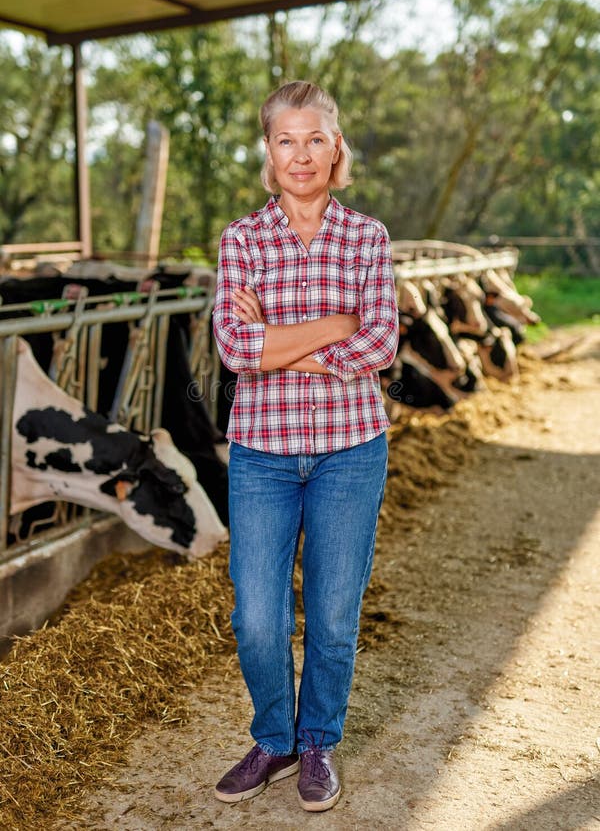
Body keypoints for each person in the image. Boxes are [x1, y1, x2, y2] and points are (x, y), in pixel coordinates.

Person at [211, 80, 399, 812]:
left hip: (351, 449)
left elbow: (380, 340)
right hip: (262, 451)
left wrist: (277, 343)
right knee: (256, 615)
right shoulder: (241, 239)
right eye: (286, 139)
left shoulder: (368, 237)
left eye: (315, 138)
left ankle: (316, 739)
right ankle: (273, 736)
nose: (301, 154)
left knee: (331, 614)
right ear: (269, 151)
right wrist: (333, 325)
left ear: (336, 147)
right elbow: (234, 347)